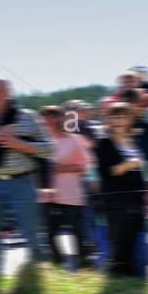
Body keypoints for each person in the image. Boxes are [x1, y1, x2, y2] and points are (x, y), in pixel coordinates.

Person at [0, 79, 54, 282]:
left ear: (9, 93)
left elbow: (50, 148)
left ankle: (40, 281)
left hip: (21, 182)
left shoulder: (27, 116)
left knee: (33, 234)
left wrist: (19, 144)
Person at [95, 102, 147, 277]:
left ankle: (127, 275)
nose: (117, 121)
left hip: (136, 198)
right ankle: (117, 276)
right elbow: (106, 172)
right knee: (120, 239)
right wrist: (129, 164)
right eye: (114, 117)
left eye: (122, 117)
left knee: (132, 236)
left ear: (130, 119)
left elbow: (142, 170)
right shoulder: (104, 143)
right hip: (117, 199)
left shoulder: (133, 141)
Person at [39, 105, 93, 270]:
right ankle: (58, 266)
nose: (49, 120)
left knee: (77, 232)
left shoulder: (73, 139)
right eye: (45, 117)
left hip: (70, 193)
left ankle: (84, 266)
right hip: (47, 195)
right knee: (50, 234)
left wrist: (62, 168)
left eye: (53, 116)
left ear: (61, 119)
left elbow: (85, 165)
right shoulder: (40, 141)